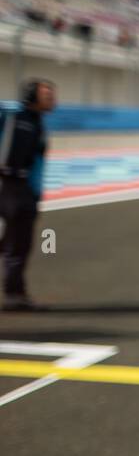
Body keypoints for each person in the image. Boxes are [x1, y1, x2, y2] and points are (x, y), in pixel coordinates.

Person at [0, 78, 54, 310]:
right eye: (47, 94)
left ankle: (16, 292)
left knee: (19, 243)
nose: (52, 98)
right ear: (32, 95)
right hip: (10, 186)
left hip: (25, 190)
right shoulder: (15, 117)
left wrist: (35, 192)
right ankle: (14, 294)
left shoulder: (37, 122)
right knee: (15, 243)